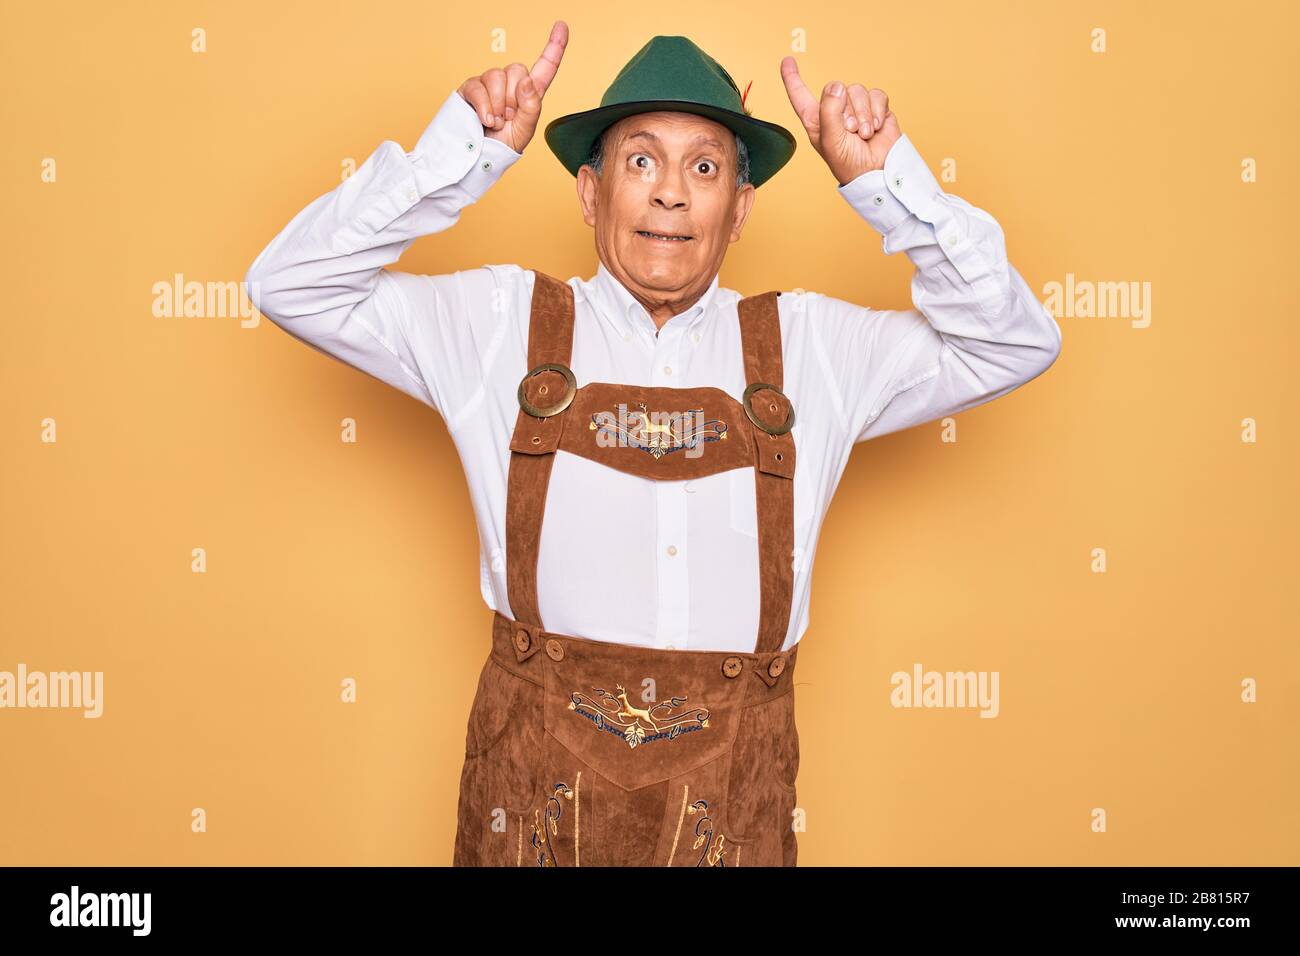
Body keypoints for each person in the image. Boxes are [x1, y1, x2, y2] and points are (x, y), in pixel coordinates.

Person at [243, 21, 1062, 866]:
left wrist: (891, 186)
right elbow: (289, 283)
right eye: (641, 161)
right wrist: (457, 157)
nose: (670, 194)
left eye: (704, 168)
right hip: (527, 820)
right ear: (590, 194)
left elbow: (1013, 343)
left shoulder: (814, 348)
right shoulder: (495, 325)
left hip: (733, 824)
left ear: (739, 210)